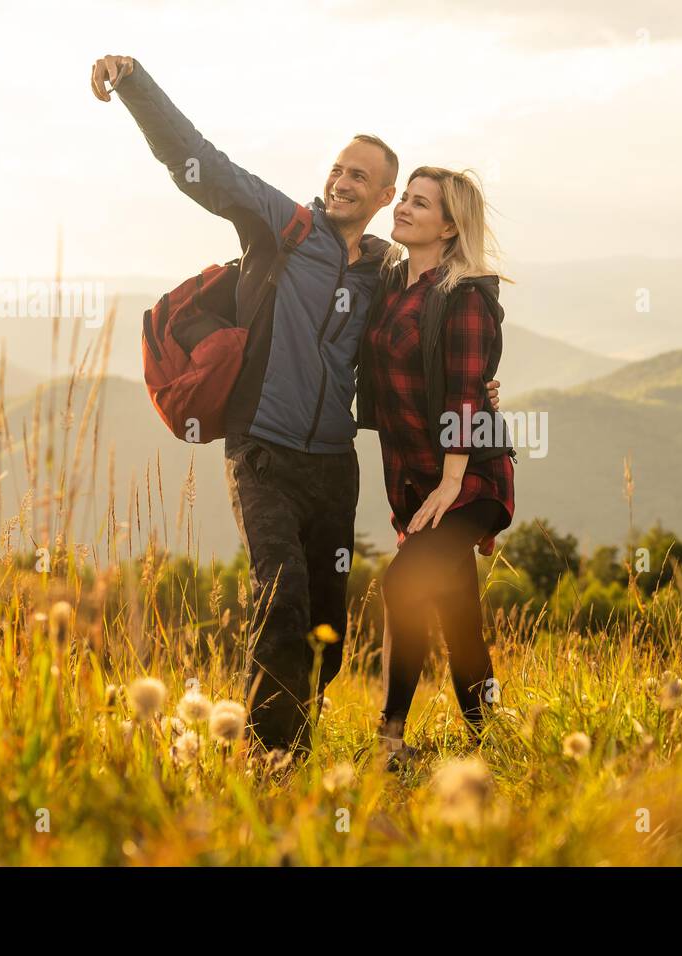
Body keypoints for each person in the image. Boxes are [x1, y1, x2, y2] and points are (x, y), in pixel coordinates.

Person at [90, 56, 499, 756]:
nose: (342, 182)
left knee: (326, 630)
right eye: (338, 169)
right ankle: (270, 757)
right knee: (278, 600)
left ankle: (302, 740)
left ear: (385, 196)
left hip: (334, 469)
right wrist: (133, 82)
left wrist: (483, 392)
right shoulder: (281, 228)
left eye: (360, 178)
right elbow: (201, 162)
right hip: (263, 454)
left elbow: (441, 338)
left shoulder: (384, 272)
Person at [356, 167, 515, 766]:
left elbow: (467, 394)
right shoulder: (389, 281)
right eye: (403, 197)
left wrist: (451, 482)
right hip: (417, 479)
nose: (403, 207)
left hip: (467, 478)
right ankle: (490, 739)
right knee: (459, 616)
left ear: (448, 225)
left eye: (419, 204)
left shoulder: (464, 295)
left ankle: (390, 738)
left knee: (404, 583)